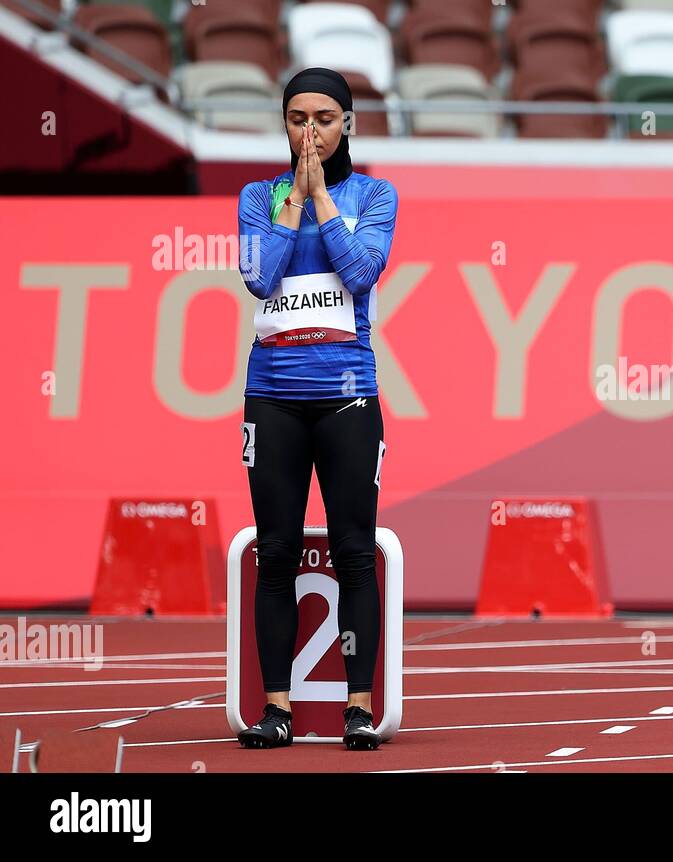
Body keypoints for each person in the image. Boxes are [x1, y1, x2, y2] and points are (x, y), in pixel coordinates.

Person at [234, 67, 397, 751]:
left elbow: (362, 272)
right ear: (284, 122)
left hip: (347, 396)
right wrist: (294, 203)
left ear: (347, 124)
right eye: (298, 118)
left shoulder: (376, 195)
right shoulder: (255, 198)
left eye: (325, 119)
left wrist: (323, 201)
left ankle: (358, 707)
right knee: (276, 553)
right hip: (272, 397)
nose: (310, 132)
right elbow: (257, 276)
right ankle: (276, 709)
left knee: (355, 553)